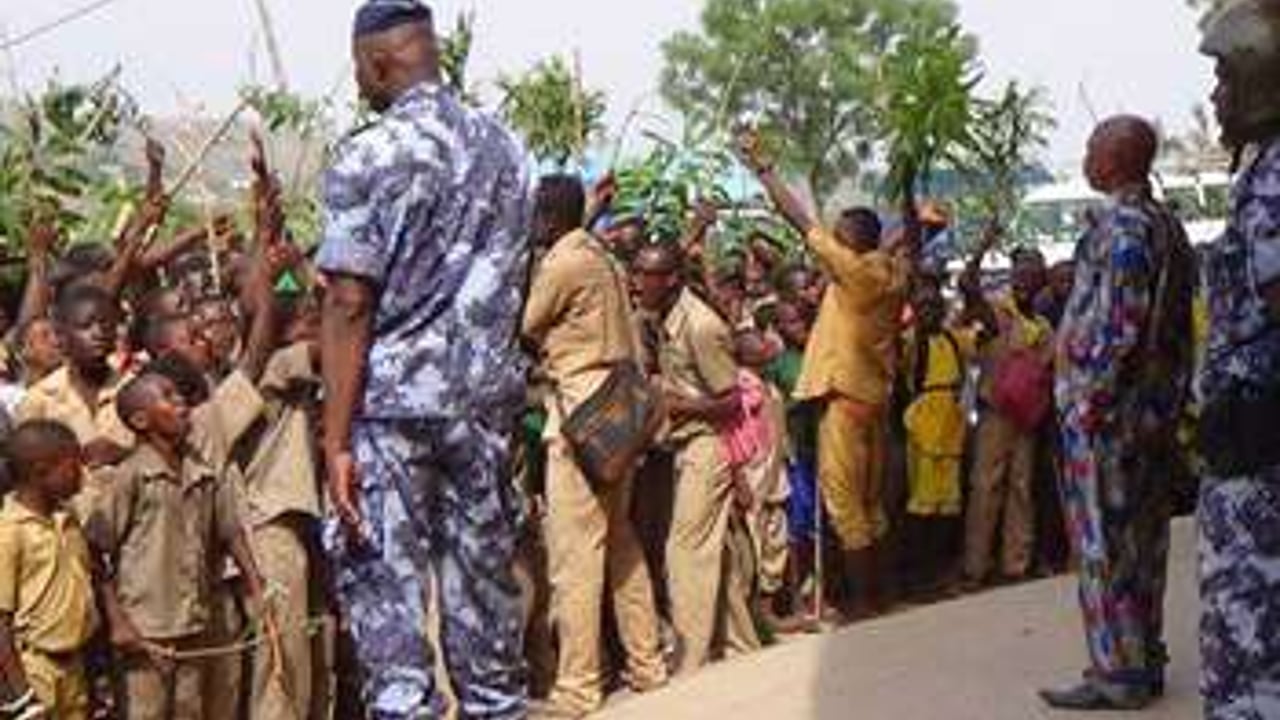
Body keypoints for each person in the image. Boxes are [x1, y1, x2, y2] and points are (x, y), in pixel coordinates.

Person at [317, 2, 532, 716]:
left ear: (378, 62)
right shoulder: (509, 148)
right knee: (488, 625)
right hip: (484, 407)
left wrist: (335, 441)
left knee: (393, 638)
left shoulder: (367, 154)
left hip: (392, 415)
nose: (360, 84)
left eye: (359, 71)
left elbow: (350, 301)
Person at [1041, 115, 1195, 710]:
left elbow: (1119, 327)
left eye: (1090, 146)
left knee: (1105, 548)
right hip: (1153, 416)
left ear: (1115, 159)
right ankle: (1144, 659)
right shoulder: (1166, 225)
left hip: (1109, 423)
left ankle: (1116, 673)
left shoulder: (1123, 228)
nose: (1084, 157)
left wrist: (1087, 403)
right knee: (1145, 543)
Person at [737, 130, 911, 620]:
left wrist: (765, 170)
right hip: (875, 402)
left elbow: (799, 222)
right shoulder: (891, 274)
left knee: (845, 510)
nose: (830, 241)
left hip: (846, 405)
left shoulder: (855, 275)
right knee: (872, 507)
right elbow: (898, 240)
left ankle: (864, 605)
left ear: (851, 243)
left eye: (839, 235)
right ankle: (885, 596)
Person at [521, 175, 667, 717]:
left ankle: (578, 687)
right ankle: (647, 663)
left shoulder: (562, 261)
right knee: (620, 541)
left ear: (549, 214)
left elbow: (527, 326)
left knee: (575, 555)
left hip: (581, 418)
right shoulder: (600, 254)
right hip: (619, 414)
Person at [85, 369, 272, 720]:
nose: (182, 403)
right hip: (146, 632)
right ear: (141, 420)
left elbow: (229, 531)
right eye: (168, 398)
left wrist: (256, 586)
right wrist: (119, 622)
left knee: (190, 711)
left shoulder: (200, 469)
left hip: (194, 623)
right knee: (146, 711)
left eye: (180, 396)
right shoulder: (131, 476)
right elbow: (95, 549)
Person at [1197, 5, 1280, 717]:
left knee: (1252, 644)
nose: (1216, 94)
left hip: (1263, 455)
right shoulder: (1262, 170)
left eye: (1225, 74)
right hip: (1247, 447)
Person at [633, 242, 761, 674]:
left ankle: (690, 659)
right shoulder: (665, 319)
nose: (636, 283)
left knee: (684, 550)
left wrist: (674, 406)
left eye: (644, 275)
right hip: (687, 445)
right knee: (711, 551)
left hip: (708, 445)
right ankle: (741, 646)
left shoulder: (702, 327)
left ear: (669, 280)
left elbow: (730, 403)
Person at [959, 246, 1054, 590]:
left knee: (1021, 487)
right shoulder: (999, 313)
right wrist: (981, 247)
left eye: (1034, 274)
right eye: (1021, 274)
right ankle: (976, 566)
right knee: (986, 486)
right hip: (994, 412)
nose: (1026, 280)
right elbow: (969, 286)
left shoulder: (1043, 326)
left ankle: (1017, 562)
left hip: (1026, 418)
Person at [0, 421, 98, 720]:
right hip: (34, 671)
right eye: (74, 466)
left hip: (75, 669)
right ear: (41, 471)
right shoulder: (9, 532)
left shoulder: (66, 518)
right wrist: (23, 699)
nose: (83, 475)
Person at [900, 279, 971, 595]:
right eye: (922, 306)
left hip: (951, 426)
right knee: (922, 506)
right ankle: (921, 575)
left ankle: (942, 572)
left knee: (948, 506)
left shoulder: (953, 339)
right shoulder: (909, 342)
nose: (929, 312)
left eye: (934, 306)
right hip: (923, 425)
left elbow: (988, 331)